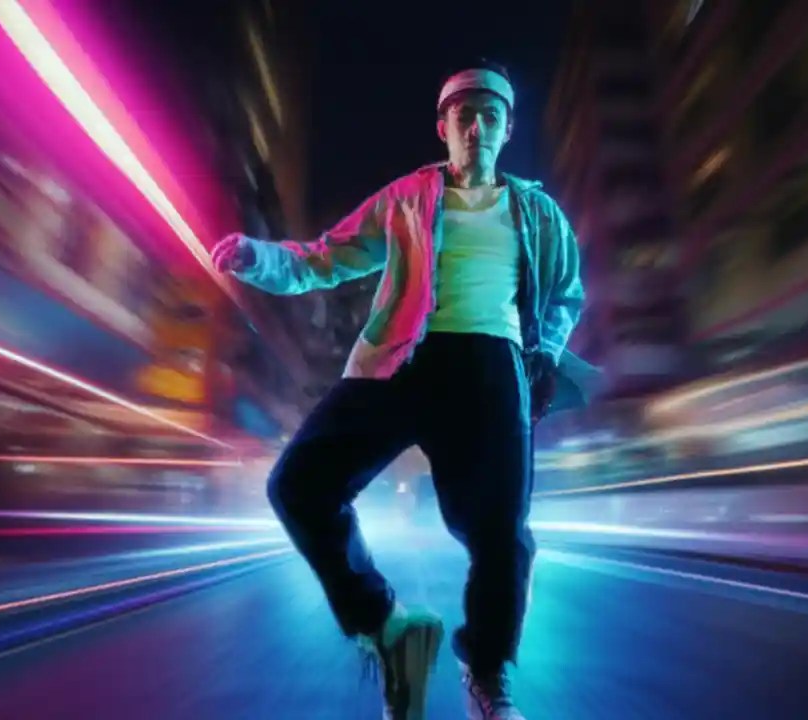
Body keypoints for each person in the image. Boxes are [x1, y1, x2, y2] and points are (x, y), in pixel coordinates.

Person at [212, 61, 584, 720]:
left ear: (506, 129)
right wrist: (257, 259)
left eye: (490, 116)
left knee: (503, 536)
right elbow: (324, 257)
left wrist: (546, 354)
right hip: (400, 362)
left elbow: (564, 296)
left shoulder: (539, 214)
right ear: (443, 127)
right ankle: (389, 626)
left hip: (491, 369)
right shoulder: (408, 197)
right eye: (463, 116)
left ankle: (488, 677)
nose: (477, 127)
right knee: (298, 485)